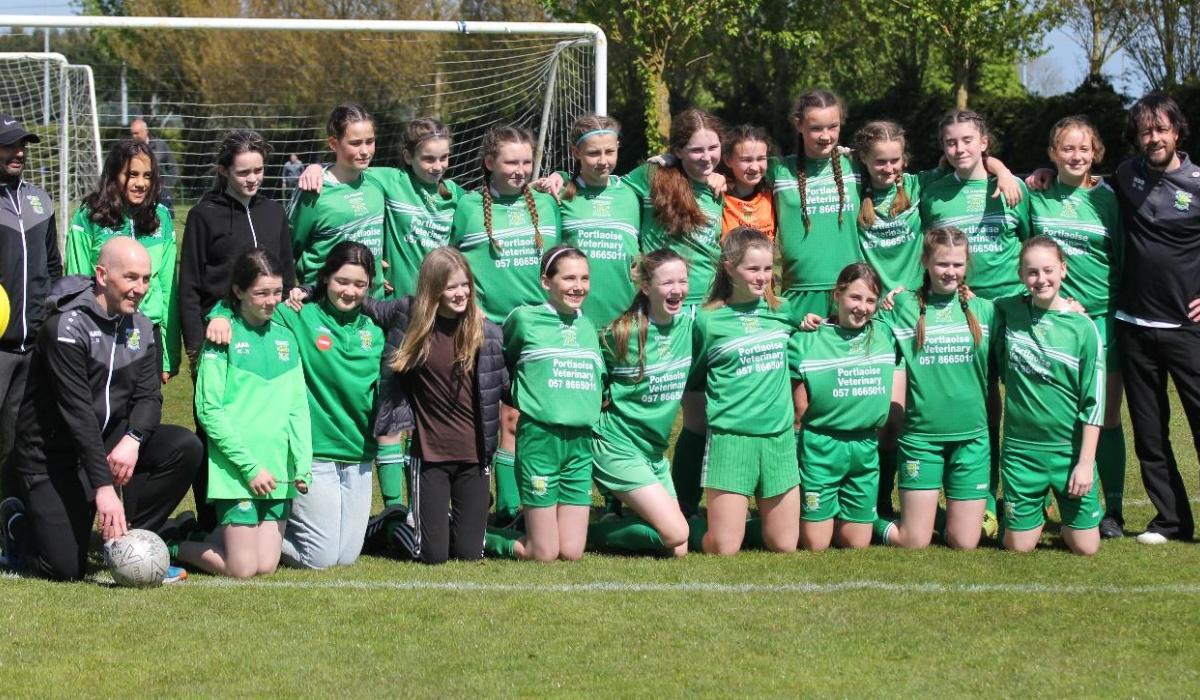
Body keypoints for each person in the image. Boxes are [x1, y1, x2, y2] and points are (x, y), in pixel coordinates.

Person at [0, 238, 201, 581]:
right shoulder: (65, 328)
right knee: (64, 568)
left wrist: (133, 439)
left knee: (184, 448)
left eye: (146, 279)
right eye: (131, 277)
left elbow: (150, 399)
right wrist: (104, 488)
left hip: (107, 443)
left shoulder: (142, 328)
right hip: (52, 456)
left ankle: (133, 542)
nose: (140, 288)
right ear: (102, 275)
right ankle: (18, 524)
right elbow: (77, 414)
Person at [207, 241, 383, 568]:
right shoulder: (299, 316)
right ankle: (240, 536)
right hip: (315, 454)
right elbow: (251, 302)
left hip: (359, 454)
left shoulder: (376, 329)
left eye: (360, 284)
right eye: (342, 281)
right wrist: (219, 314)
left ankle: (257, 536)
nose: (350, 291)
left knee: (346, 557)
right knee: (320, 559)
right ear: (325, 278)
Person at [179, 130, 296, 529]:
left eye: (258, 170)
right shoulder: (204, 215)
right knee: (214, 427)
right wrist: (196, 347)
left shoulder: (274, 212)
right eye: (243, 171)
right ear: (223, 170)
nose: (252, 179)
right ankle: (210, 522)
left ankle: (265, 511)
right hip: (218, 337)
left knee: (263, 421)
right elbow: (189, 287)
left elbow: (287, 276)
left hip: (265, 337)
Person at [362, 247, 506, 564]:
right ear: (434, 288)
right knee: (431, 555)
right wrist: (306, 291)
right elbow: (360, 300)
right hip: (430, 457)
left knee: (470, 555)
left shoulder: (487, 332)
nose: (461, 293)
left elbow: (506, 387)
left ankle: (445, 521)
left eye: (465, 284)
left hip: (474, 457)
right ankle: (390, 525)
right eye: (451, 286)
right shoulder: (408, 315)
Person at [450, 125, 561, 528]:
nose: (520, 170)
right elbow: (451, 263)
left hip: (538, 330)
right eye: (511, 162)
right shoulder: (466, 206)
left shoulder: (547, 204)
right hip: (486, 329)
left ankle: (524, 503)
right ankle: (500, 507)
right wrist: (471, 307)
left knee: (527, 419)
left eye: (527, 162)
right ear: (489, 162)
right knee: (493, 420)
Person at [178, 249, 311, 578]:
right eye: (262, 293)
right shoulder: (221, 336)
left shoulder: (286, 338)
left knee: (265, 565)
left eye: (277, 292)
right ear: (238, 291)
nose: (272, 301)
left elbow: (298, 407)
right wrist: (250, 468)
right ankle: (175, 544)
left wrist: (303, 464)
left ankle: (200, 534)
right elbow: (208, 411)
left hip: (278, 471)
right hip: (238, 472)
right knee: (242, 569)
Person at [1026, 116, 1127, 538]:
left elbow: (1124, 259)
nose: (1076, 155)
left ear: (1095, 152)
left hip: (1102, 321)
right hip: (1050, 322)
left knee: (1105, 415)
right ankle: (1040, 498)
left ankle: (1113, 509)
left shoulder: (1109, 199)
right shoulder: (1037, 194)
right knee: (1052, 415)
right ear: (1052, 153)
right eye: (1067, 148)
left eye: (1084, 148)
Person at [1107, 94, 1200, 544]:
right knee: (1149, 432)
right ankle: (1171, 521)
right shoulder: (1126, 176)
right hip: (1134, 325)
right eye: (1146, 131)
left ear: (1177, 132)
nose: (1154, 138)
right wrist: (1036, 174)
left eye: (1161, 129)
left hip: (1187, 329)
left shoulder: (1198, 182)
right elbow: (1080, 179)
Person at [624, 109, 725, 518]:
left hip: (708, 315)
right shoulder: (652, 177)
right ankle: (624, 502)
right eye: (696, 150)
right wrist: (560, 178)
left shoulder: (720, 188)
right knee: (648, 413)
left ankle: (685, 504)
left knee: (701, 417)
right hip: (662, 316)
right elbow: (601, 183)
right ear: (678, 150)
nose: (707, 157)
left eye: (713, 147)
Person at [872, 228, 994, 549]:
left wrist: (1067, 307)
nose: (949, 271)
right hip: (921, 440)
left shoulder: (985, 310)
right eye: (942, 264)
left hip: (972, 440)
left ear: (966, 265)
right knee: (913, 540)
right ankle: (863, 517)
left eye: (957, 264)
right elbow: (861, 327)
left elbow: (1031, 311)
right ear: (926, 261)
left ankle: (939, 517)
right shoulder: (902, 307)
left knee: (964, 542)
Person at [691, 227, 801, 555]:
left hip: (778, 438)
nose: (762, 277)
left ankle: (742, 524)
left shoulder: (783, 310)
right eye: (752, 269)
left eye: (767, 269)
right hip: (731, 438)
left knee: (784, 544)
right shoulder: (708, 320)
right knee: (723, 547)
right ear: (729, 268)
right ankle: (680, 526)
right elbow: (694, 376)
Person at [490, 246, 602, 561]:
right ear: (545, 281)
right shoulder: (524, 319)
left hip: (580, 444)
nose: (578, 286)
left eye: (584, 278)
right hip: (540, 440)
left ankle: (530, 523)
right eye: (569, 278)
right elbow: (502, 358)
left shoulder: (589, 326)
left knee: (571, 551)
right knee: (543, 552)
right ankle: (474, 534)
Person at [995, 236, 1104, 556]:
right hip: (1021, 452)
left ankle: (1052, 512)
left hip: (1068, 453)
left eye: (1048, 270)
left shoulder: (1083, 327)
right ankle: (1025, 512)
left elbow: (1094, 403)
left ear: (1063, 270)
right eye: (1032, 272)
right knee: (1019, 547)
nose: (1041, 279)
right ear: (1020, 275)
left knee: (1086, 547)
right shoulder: (1008, 309)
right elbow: (973, 303)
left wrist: (1085, 464)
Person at [588, 249, 692, 555]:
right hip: (616, 447)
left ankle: (610, 520)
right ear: (646, 286)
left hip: (654, 454)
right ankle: (581, 532)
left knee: (678, 546)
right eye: (667, 282)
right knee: (676, 532)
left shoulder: (690, 325)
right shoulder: (620, 333)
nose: (677, 289)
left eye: (682, 281)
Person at [792, 263, 901, 551]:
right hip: (821, 447)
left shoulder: (885, 332)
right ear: (837, 295)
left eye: (870, 300)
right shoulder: (808, 338)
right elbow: (798, 410)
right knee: (816, 544)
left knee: (856, 543)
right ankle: (760, 524)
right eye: (855, 297)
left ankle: (875, 520)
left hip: (865, 447)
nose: (863, 307)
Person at [65, 138, 180, 383]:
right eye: (132, 174)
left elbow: (169, 287)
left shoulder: (161, 217)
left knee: (147, 405)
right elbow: (76, 283)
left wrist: (169, 353)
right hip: (102, 331)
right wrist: (77, 343)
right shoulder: (89, 216)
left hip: (149, 333)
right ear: (114, 174)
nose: (141, 183)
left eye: (147, 176)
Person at [0, 115, 61, 486]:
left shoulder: (41, 200)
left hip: (33, 347)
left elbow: (53, 265)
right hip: (0, 347)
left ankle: (10, 511)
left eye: (22, 145)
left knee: (17, 439)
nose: (19, 152)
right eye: (9, 145)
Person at [770, 89, 862, 319]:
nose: (826, 136)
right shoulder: (778, 170)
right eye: (816, 128)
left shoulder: (858, 164)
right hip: (799, 294)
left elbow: (896, 170)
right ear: (798, 125)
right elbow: (737, 167)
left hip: (853, 289)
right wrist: (715, 177)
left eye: (833, 127)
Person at [289, 103, 386, 296]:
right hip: (324, 303)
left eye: (370, 141)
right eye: (355, 144)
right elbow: (288, 248)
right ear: (334, 144)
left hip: (374, 304)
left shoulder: (379, 182)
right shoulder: (313, 190)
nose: (365, 151)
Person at [555, 114, 641, 328]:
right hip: (573, 320)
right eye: (593, 153)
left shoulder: (631, 193)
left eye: (609, 152)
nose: (603, 161)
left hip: (625, 320)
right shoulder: (560, 194)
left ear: (618, 147)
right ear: (576, 152)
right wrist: (557, 176)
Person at [719, 125, 775, 240]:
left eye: (761, 159)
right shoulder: (718, 195)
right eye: (746, 160)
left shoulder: (773, 195)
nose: (754, 167)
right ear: (728, 160)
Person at [130, 117, 178, 217]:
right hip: (140, 193)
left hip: (161, 195)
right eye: (132, 133)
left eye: (136, 133)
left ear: (145, 131)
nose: (134, 136)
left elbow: (173, 168)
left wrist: (165, 187)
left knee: (165, 219)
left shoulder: (161, 145)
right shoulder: (130, 149)